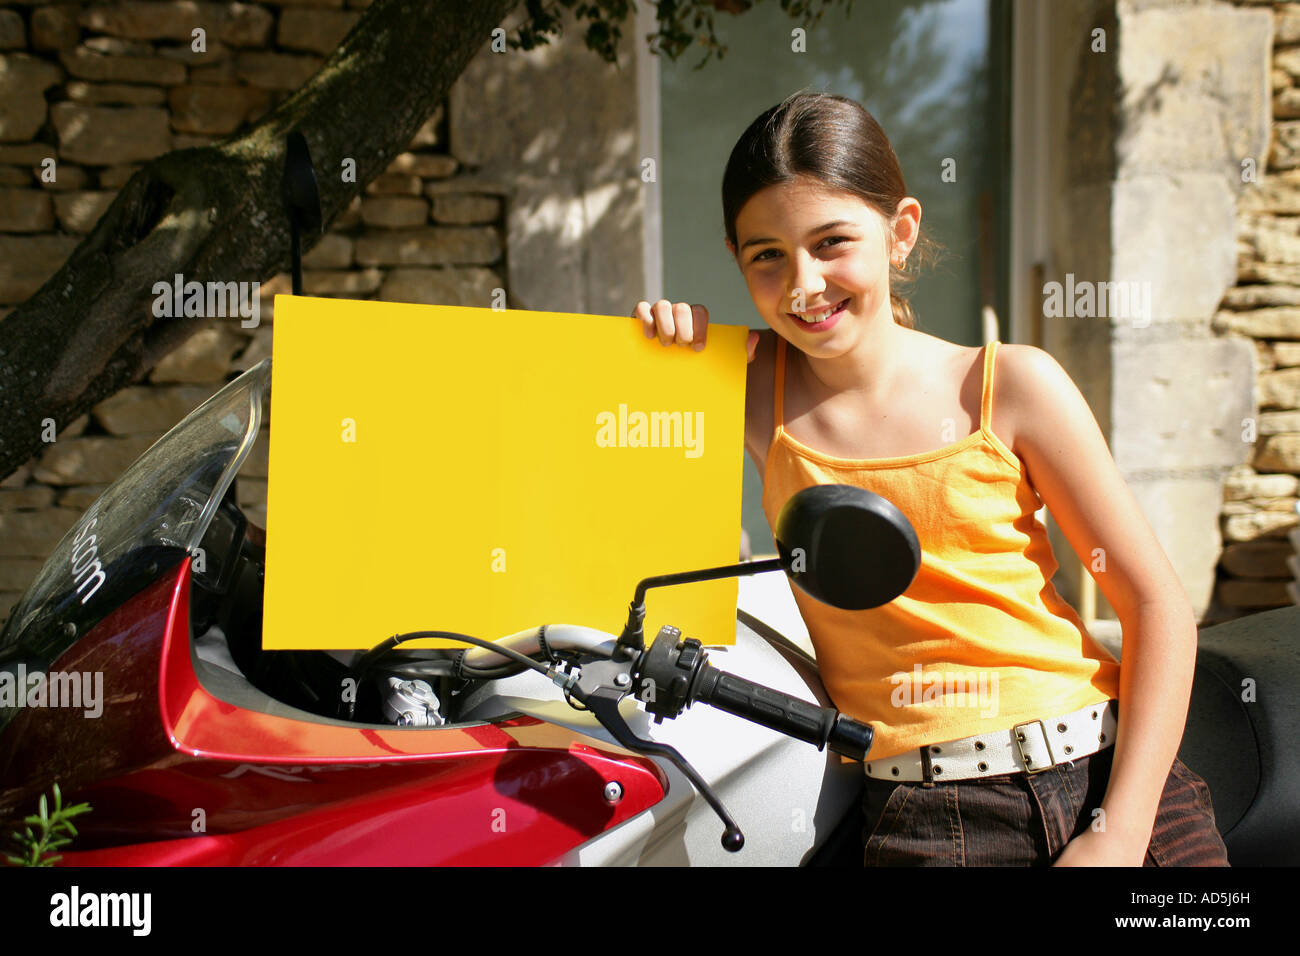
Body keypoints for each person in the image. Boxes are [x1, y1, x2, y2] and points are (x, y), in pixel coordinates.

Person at [633, 90, 1229, 867]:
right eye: (767, 255)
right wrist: (654, 369)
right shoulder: (741, 391)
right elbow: (606, 498)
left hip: (1108, 775)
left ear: (900, 232)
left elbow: (1156, 605)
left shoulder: (1009, 385)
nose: (805, 283)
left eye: (832, 241)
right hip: (928, 813)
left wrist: (1119, 834)